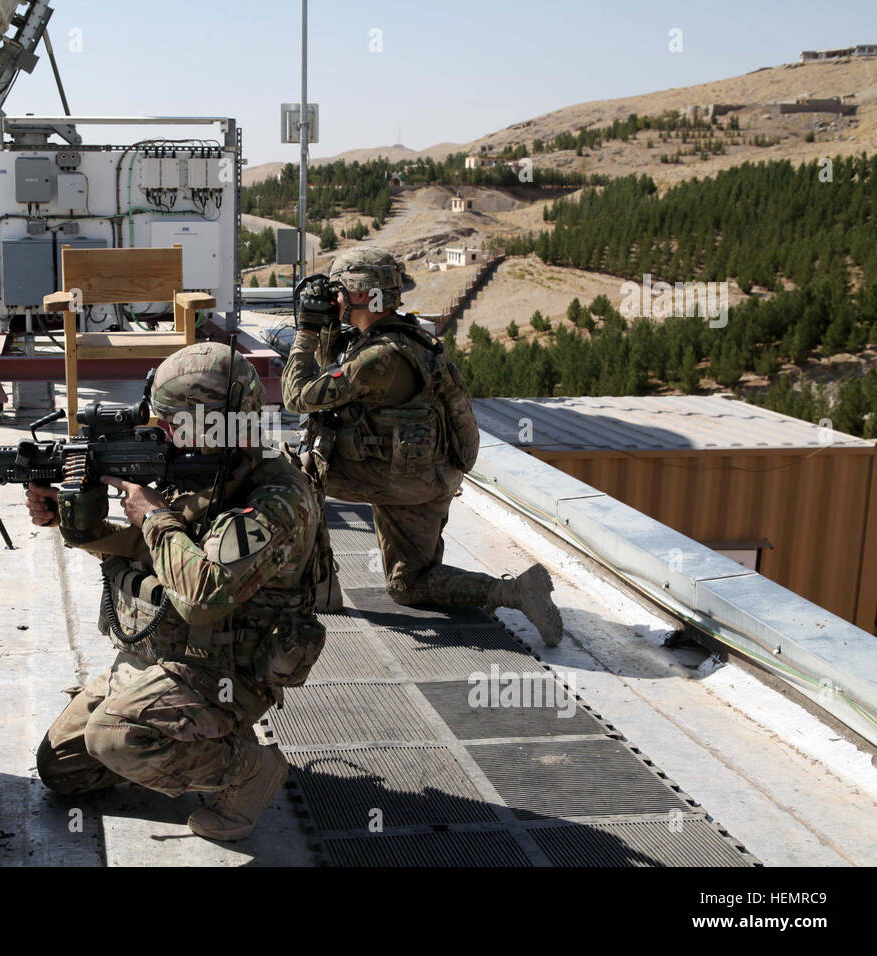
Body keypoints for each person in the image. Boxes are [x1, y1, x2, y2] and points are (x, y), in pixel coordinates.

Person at [30, 342, 326, 841]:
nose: (160, 429)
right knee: (62, 768)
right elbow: (150, 553)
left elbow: (203, 597)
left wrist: (154, 517)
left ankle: (250, 769)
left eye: (171, 421)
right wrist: (73, 519)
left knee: (113, 737)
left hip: (229, 669)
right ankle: (175, 736)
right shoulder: (204, 465)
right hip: (167, 650)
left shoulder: (276, 497)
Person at [281, 247, 563, 646]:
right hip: (429, 478)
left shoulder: (377, 358)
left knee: (295, 473)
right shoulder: (409, 337)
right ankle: (515, 591)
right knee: (409, 585)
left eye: (340, 291)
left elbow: (297, 397)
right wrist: (329, 328)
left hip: (398, 479)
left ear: (363, 295)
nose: (336, 299)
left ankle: (314, 585)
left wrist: (306, 333)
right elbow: (335, 375)